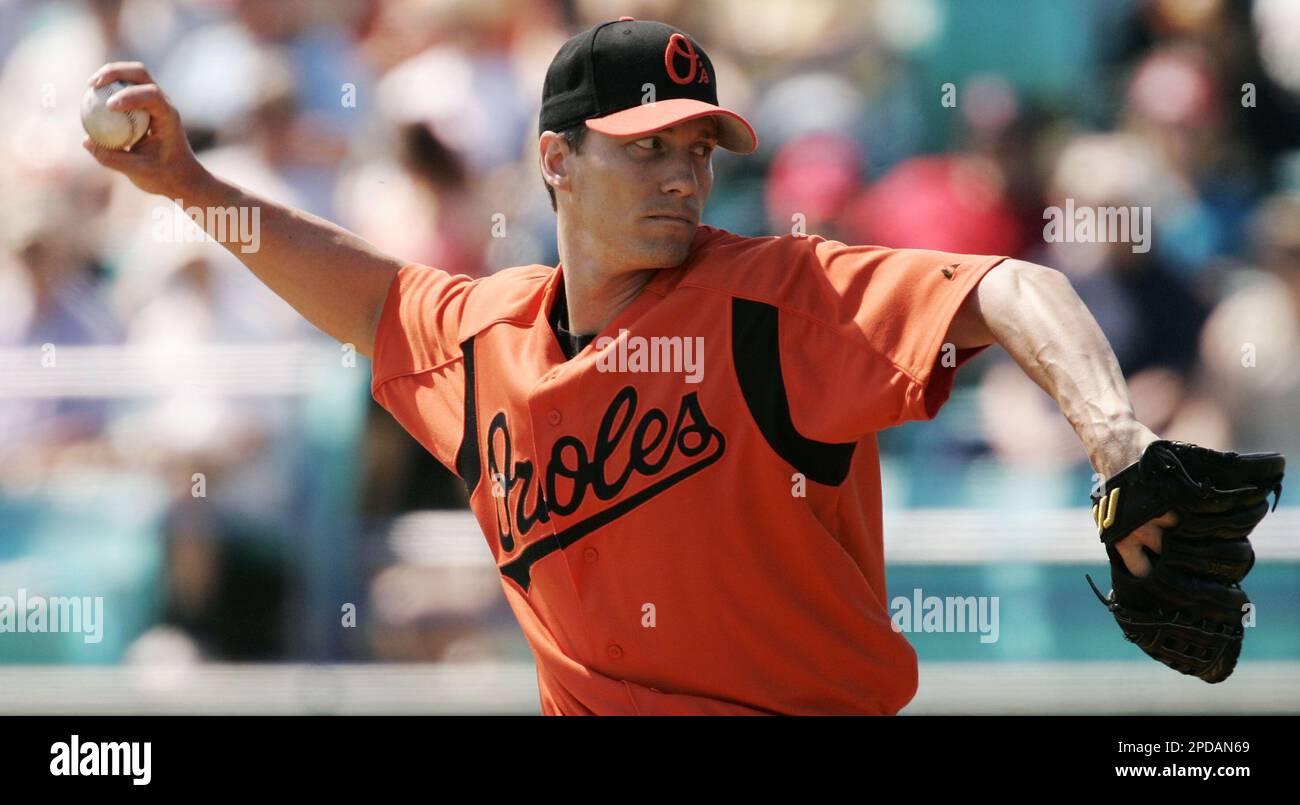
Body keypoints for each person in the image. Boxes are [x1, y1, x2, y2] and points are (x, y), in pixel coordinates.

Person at [84, 18, 1175, 715]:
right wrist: (184, 184)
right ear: (556, 159)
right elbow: (366, 292)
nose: (682, 177)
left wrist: (1116, 440)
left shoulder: (775, 301)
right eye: (647, 146)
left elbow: (1009, 287)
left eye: (697, 151)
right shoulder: (480, 339)